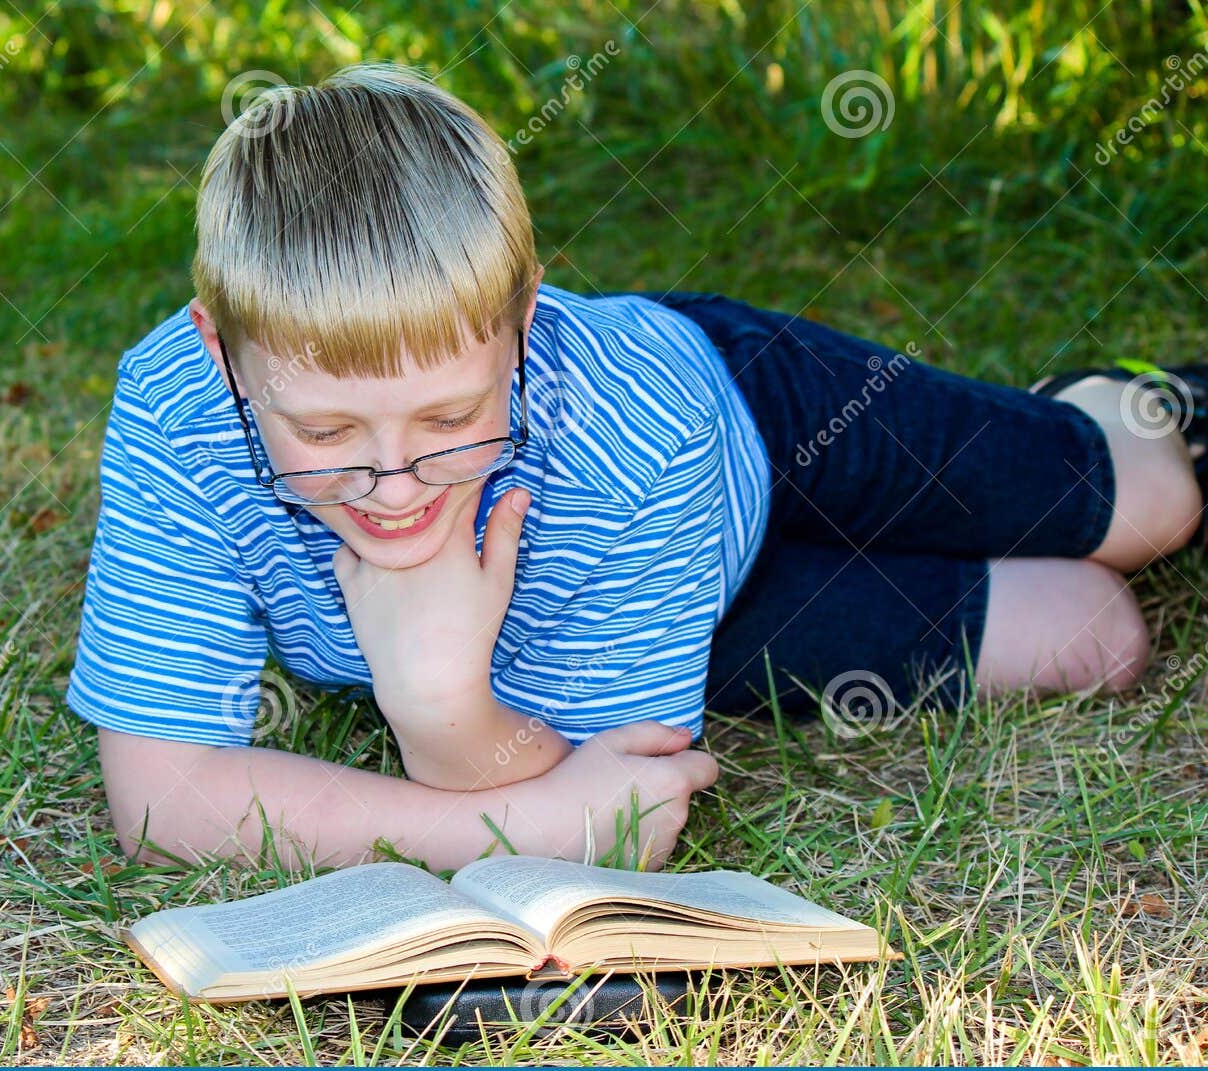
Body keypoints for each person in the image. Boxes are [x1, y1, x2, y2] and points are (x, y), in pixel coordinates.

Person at [64, 61, 1206, 876]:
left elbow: (576, 803)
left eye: (451, 415)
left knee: (1154, 506)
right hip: (679, 598)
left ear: (523, 321)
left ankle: (1104, 401)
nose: (396, 485)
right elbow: (163, 799)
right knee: (1095, 638)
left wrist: (440, 709)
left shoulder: (634, 427)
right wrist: (481, 765)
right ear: (222, 352)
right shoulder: (175, 405)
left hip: (749, 413)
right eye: (325, 434)